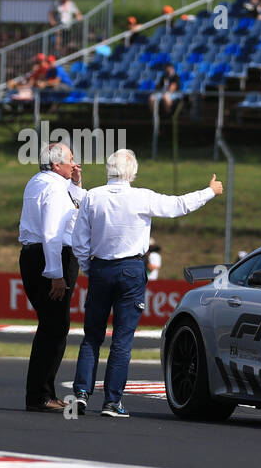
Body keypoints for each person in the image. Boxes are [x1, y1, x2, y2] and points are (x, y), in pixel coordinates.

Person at [69, 149, 224, 417]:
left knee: (92, 336)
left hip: (101, 267)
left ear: (108, 169)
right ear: (132, 173)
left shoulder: (93, 196)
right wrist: (209, 191)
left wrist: (89, 267)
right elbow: (180, 205)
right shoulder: (141, 197)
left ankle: (81, 393)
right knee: (122, 338)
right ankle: (112, 401)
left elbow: (79, 240)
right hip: (131, 269)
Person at [17, 141, 84, 412]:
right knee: (55, 327)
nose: (75, 164)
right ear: (56, 165)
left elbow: (77, 204)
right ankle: (40, 396)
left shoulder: (37, 182)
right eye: (71, 160)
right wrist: (56, 273)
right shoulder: (55, 188)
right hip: (52, 257)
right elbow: (52, 232)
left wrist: (76, 184)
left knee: (51, 326)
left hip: (33, 255)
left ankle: (42, 393)